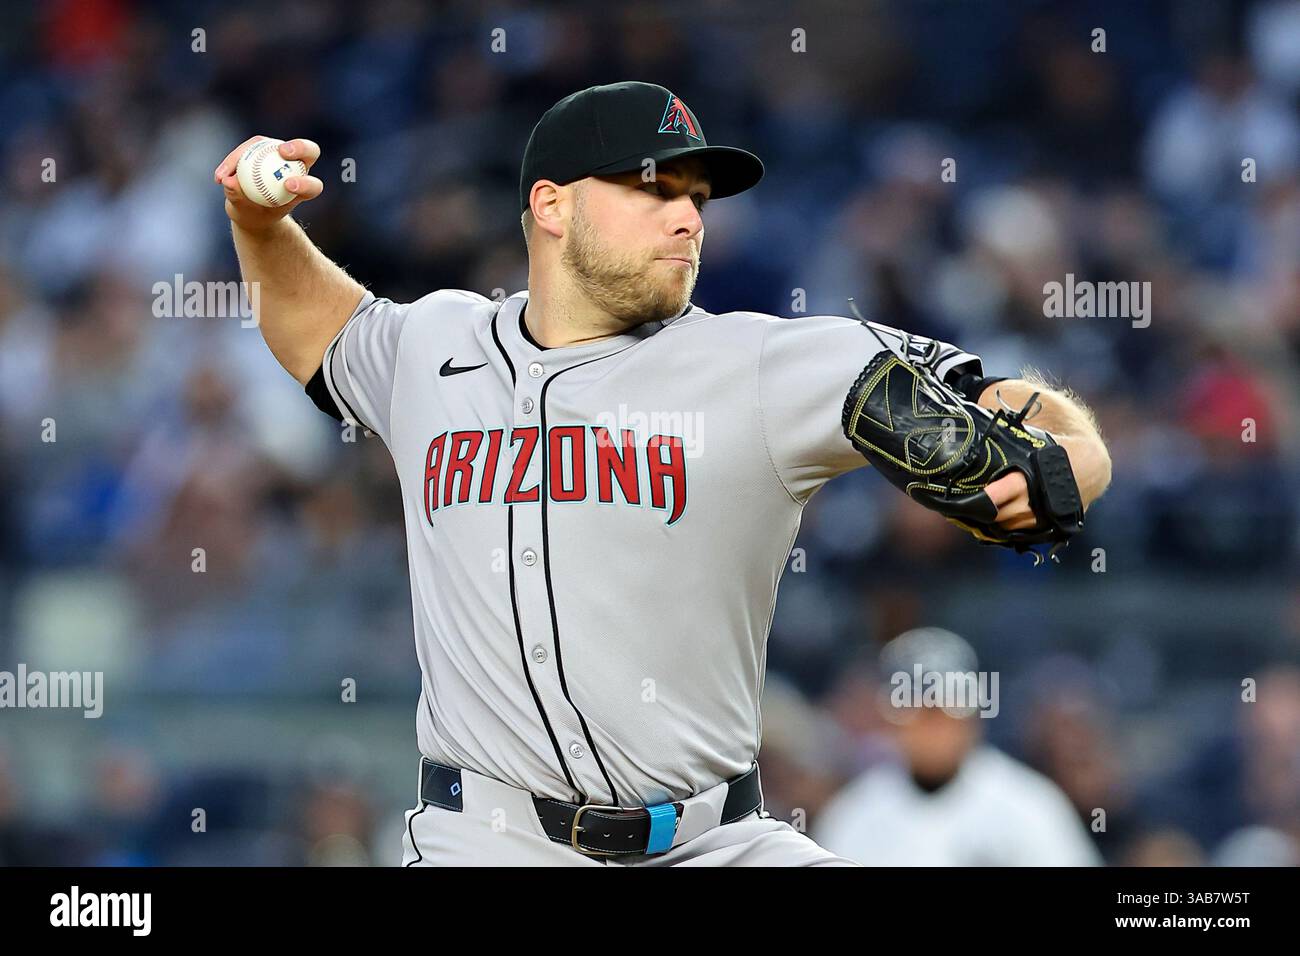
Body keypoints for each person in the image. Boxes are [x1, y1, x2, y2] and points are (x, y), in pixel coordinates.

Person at [213, 81, 1112, 866]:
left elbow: (1010, 404)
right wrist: (258, 221)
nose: (689, 216)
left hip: (715, 842)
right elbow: (317, 326)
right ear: (553, 205)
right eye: (653, 188)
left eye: (697, 195)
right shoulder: (433, 346)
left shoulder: (766, 364)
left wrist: (1079, 453)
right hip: (487, 844)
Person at [813, 628, 1103, 866]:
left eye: (948, 709)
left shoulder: (1030, 805)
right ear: (891, 721)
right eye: (920, 711)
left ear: (974, 716)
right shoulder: (853, 816)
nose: (935, 725)